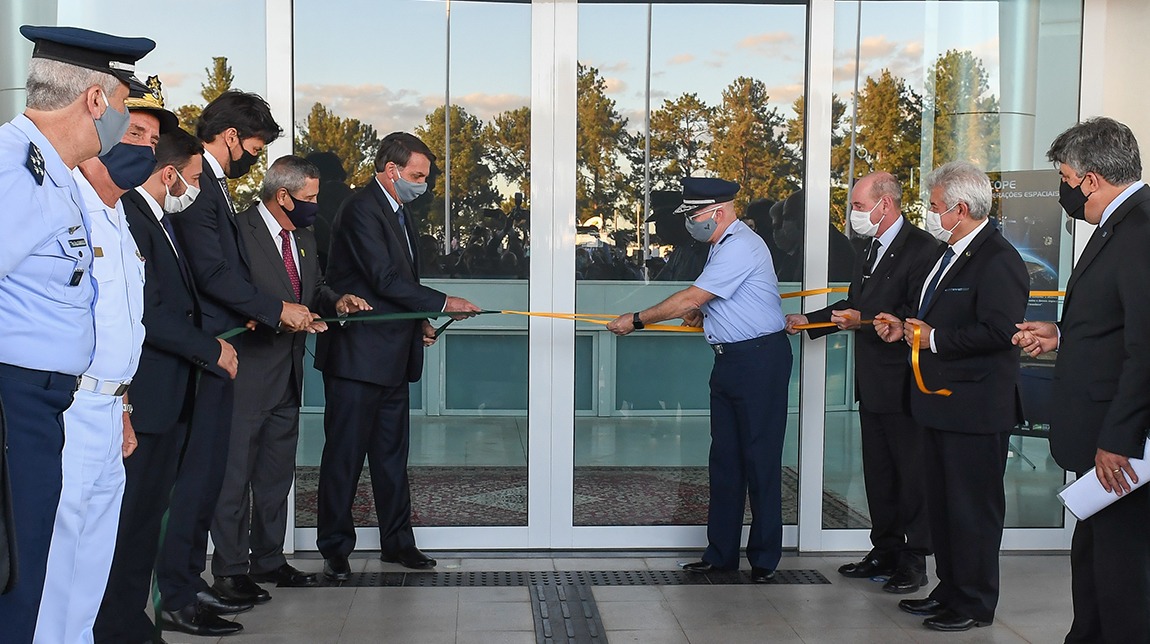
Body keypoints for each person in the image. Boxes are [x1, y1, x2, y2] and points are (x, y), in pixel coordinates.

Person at [0, 25, 154, 642]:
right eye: (122, 107)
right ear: (95, 100)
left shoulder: (56, 174)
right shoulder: (15, 169)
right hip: (17, 398)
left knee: (49, 572)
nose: (120, 123)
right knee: (24, 581)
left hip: (53, 397)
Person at [157, 90, 310, 636]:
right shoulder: (196, 190)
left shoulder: (214, 190)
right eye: (255, 144)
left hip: (227, 343)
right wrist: (271, 310)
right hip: (206, 351)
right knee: (209, 476)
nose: (255, 155)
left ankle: (189, 583)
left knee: (214, 475)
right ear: (229, 138)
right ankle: (190, 585)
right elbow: (212, 274)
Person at [33, 76, 170, 644]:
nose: (142, 146)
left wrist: (124, 406)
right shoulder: (64, 204)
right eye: (132, 130)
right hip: (65, 406)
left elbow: (117, 329)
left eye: (152, 139)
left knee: (92, 563)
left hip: (109, 410)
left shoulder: (120, 217)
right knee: (55, 565)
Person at [95, 113, 239, 641]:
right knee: (129, 525)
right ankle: (118, 626)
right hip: (145, 398)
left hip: (168, 396)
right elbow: (148, 312)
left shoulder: (158, 218)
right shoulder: (132, 212)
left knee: (145, 520)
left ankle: (134, 624)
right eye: (195, 179)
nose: (197, 190)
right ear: (169, 174)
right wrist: (210, 349)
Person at [607, 177, 791, 583]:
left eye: (694, 215)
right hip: (731, 361)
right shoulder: (720, 246)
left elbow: (692, 296)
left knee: (759, 460)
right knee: (725, 462)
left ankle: (763, 559)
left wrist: (636, 320)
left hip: (758, 360)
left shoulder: (741, 245)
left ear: (719, 212)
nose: (690, 222)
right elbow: (712, 300)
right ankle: (721, 553)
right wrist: (705, 312)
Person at [314, 132, 481, 580]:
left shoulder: (400, 212)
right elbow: (384, 279)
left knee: (391, 458)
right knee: (345, 457)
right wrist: (443, 303)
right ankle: (334, 549)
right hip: (355, 358)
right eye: (416, 176)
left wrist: (420, 322)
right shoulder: (360, 209)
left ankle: (398, 544)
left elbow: (394, 286)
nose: (422, 184)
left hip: (392, 356)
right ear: (391, 170)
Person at [874, 161, 1028, 632]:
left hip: (976, 408)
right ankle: (950, 589)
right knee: (942, 506)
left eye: (936, 207)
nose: (931, 214)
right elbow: (931, 318)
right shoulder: (948, 255)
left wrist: (935, 339)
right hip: (939, 402)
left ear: (961, 209)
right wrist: (907, 328)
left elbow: (1000, 331)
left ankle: (975, 602)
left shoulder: (998, 259)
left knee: (972, 511)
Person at [1012, 117, 1150, 643]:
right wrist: (1064, 334)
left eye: (1067, 178)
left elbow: (1146, 348)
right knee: (1094, 561)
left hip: (1119, 442)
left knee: (1122, 578)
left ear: (1091, 178)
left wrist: (1119, 439)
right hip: (1100, 431)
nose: (1066, 191)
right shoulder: (1121, 224)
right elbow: (1119, 323)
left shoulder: (1140, 229)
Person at [209, 156, 369, 604]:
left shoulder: (303, 237)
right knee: (234, 477)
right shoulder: (238, 232)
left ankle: (269, 559)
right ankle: (229, 569)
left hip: (288, 378)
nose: (317, 206)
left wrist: (337, 301)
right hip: (247, 373)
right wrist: (274, 315)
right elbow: (228, 292)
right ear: (283, 196)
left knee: (276, 476)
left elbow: (310, 291)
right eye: (310, 198)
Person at [786, 172, 940, 594]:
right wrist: (812, 320)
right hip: (872, 383)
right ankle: (885, 550)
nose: (853, 215)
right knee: (880, 474)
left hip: (908, 383)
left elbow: (917, 313)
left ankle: (914, 560)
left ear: (885, 204)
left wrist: (864, 321)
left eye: (857, 206)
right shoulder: (868, 247)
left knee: (911, 476)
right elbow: (857, 305)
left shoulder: (924, 249)